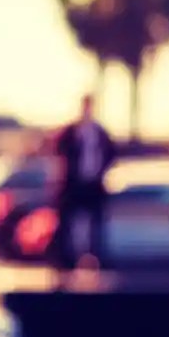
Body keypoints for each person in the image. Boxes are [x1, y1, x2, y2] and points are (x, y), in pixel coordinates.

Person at [51, 95, 116, 271]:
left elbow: (111, 153)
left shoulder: (100, 132)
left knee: (96, 222)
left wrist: (101, 172)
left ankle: (96, 257)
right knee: (67, 222)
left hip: (93, 184)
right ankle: (65, 260)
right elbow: (60, 152)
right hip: (73, 184)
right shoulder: (72, 131)